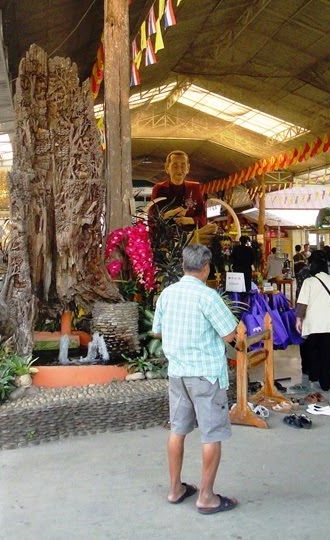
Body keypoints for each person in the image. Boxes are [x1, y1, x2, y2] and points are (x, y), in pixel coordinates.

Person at [152, 244, 239, 515]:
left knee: (177, 430)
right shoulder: (208, 296)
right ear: (206, 268)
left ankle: (175, 489)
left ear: (183, 266)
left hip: (178, 373)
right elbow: (230, 335)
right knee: (211, 435)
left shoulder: (167, 294)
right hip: (205, 375)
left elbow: (157, 331)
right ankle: (206, 497)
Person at [295, 250, 330, 392]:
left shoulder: (308, 282)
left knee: (314, 351)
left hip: (314, 324)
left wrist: (298, 320)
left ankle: (314, 376)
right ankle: (327, 383)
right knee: (329, 353)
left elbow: (302, 303)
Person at [150, 150, 207, 230]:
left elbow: (203, 218)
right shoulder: (159, 189)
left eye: (183, 166)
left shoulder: (195, 187)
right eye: (175, 166)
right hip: (166, 235)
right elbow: (152, 218)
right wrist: (172, 213)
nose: (179, 170)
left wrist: (188, 220)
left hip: (191, 235)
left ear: (188, 168)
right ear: (167, 168)